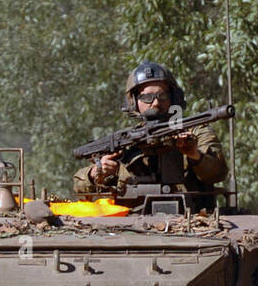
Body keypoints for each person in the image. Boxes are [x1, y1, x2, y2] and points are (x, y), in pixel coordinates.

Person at [73, 62, 227, 199]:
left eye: (162, 95)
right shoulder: (125, 140)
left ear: (173, 97)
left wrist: (194, 154)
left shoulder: (195, 131)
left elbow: (218, 173)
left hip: (190, 220)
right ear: (134, 102)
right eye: (147, 97)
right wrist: (96, 173)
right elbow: (79, 185)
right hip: (133, 224)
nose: (155, 103)